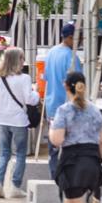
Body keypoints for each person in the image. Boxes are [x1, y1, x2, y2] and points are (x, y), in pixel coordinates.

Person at [49, 71, 102, 203]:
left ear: (66, 86)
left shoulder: (64, 110)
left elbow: (57, 140)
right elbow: (101, 140)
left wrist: (52, 129)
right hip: (92, 163)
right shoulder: (95, 110)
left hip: (73, 164)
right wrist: (98, 160)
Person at [0, 47, 40, 198]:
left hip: (2, 118)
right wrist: (36, 92)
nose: (23, 60)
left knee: (4, 153)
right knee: (20, 154)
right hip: (18, 120)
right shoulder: (24, 78)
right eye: (21, 58)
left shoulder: (0, 76)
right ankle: (15, 185)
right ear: (17, 60)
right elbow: (29, 99)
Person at [43, 23, 83, 179]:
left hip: (51, 105)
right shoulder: (71, 57)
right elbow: (79, 85)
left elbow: (46, 78)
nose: (80, 42)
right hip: (66, 108)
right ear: (70, 37)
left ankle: (54, 178)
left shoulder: (51, 52)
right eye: (78, 38)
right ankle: (65, 181)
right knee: (69, 147)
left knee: (53, 146)